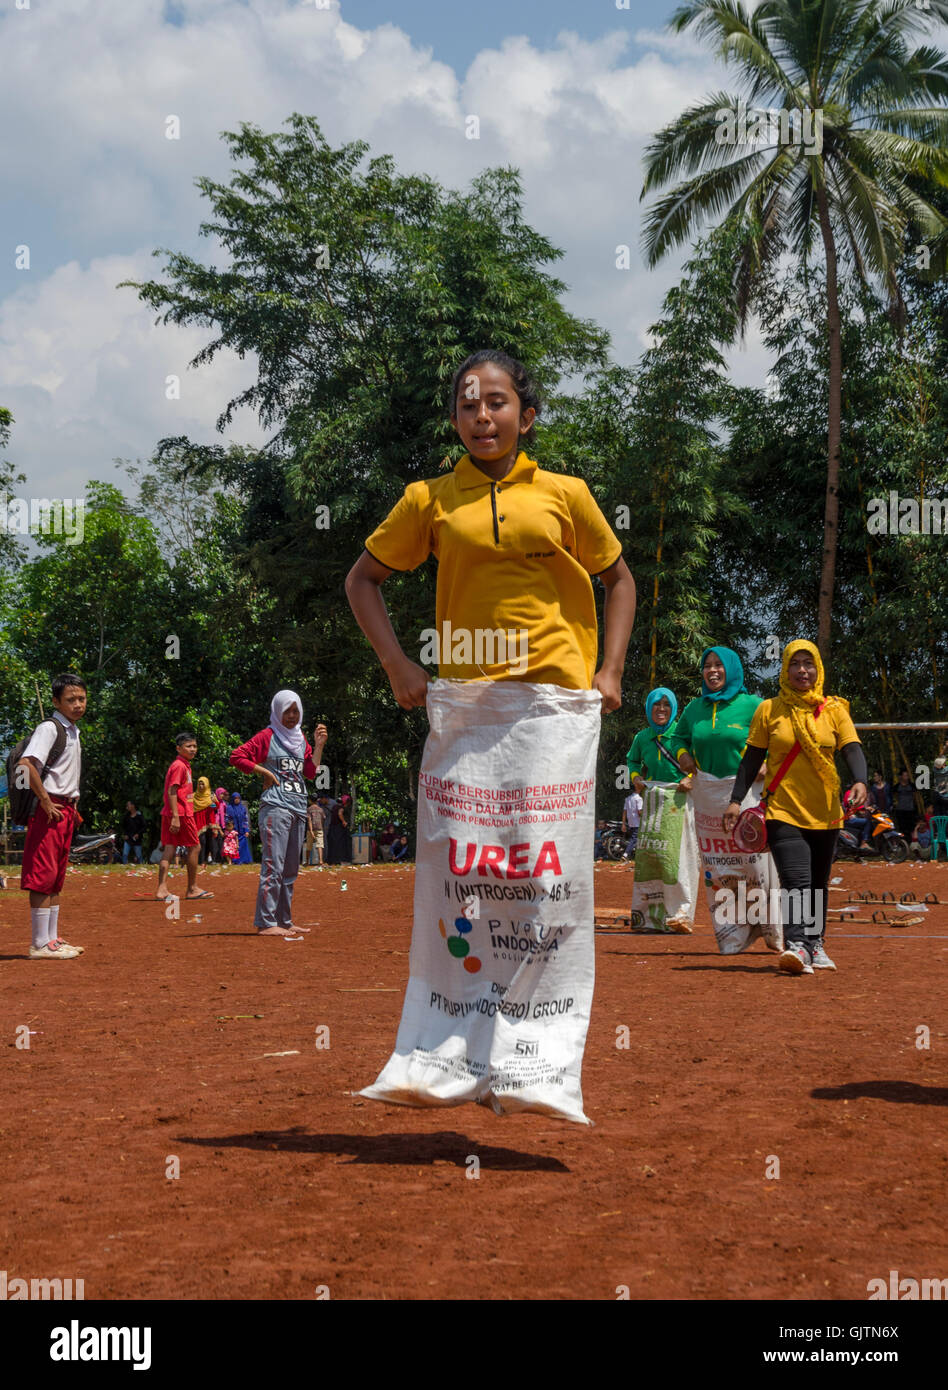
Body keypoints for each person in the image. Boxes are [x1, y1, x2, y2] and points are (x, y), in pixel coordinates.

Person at [345, 349, 636, 1116]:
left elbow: (620, 579)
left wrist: (609, 672)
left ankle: (534, 1066)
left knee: (544, 880)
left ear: (526, 415)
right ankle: (448, 1053)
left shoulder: (566, 495)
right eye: (468, 404)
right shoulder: (430, 500)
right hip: (470, 714)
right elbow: (362, 581)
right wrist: (398, 667)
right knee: (464, 875)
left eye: (498, 402)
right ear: (454, 419)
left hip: (554, 715)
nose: (483, 416)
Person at [723, 640, 867, 976]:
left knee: (818, 882)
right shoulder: (770, 710)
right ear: (785, 669)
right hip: (783, 810)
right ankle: (797, 944)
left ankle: (815, 944)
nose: (802, 671)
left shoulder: (834, 710)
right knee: (796, 880)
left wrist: (860, 780)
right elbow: (751, 760)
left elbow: (852, 749)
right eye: (795, 664)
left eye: (809, 664)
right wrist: (734, 800)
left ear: (818, 669)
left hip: (827, 812)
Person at [230, 692, 328, 937]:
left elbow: (309, 772)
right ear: (277, 712)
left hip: (297, 808)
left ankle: (284, 921)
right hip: (275, 807)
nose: (292, 716)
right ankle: (265, 922)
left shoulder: (300, 738)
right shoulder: (268, 735)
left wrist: (318, 746)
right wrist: (263, 771)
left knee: (290, 869)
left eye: (295, 711)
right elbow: (237, 756)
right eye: (287, 711)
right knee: (274, 865)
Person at [16, 672, 88, 959]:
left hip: (66, 809)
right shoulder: (50, 728)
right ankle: (39, 943)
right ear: (56, 702)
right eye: (71, 700)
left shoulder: (72, 730)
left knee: (56, 876)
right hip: (51, 809)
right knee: (43, 875)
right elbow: (26, 764)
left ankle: (52, 939)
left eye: (82, 698)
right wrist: (45, 801)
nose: (78, 704)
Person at [674, 648, 761, 785]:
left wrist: (766, 762)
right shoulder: (693, 708)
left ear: (732, 668)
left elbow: (777, 735)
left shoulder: (753, 705)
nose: (712, 670)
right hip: (705, 791)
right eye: (707, 666)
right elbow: (678, 738)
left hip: (747, 789)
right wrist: (682, 754)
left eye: (719, 665)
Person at [155, 733, 213, 903]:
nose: (193, 749)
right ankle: (192, 888)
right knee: (195, 847)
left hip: (172, 813)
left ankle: (161, 889)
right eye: (189, 746)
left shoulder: (183, 765)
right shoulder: (180, 766)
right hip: (180, 813)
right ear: (178, 748)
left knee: (170, 848)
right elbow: (172, 791)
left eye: (194, 746)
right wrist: (175, 817)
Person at [626, 687, 680, 784]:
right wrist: (635, 776)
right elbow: (633, 761)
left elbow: (700, 762)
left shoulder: (683, 734)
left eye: (667, 705)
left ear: (673, 708)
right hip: (651, 795)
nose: (662, 709)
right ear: (649, 707)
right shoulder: (641, 737)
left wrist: (689, 778)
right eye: (656, 704)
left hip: (682, 795)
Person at [192, 777, 217, 865]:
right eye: (200, 784)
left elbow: (216, 807)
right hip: (199, 821)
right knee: (201, 841)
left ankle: (211, 860)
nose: (201, 786)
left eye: (203, 784)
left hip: (209, 822)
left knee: (211, 841)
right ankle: (201, 860)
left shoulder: (211, 795)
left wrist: (214, 802)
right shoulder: (194, 796)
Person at [326, 793, 352, 865]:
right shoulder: (341, 808)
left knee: (333, 845)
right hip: (338, 829)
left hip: (332, 828)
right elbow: (340, 814)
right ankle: (340, 860)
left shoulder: (334, 807)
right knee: (340, 844)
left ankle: (332, 861)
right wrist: (344, 822)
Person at [891, 769, 917, 842]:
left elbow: (915, 796)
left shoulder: (912, 785)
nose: (907, 777)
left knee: (911, 827)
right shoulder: (897, 786)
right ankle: (903, 843)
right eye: (905, 775)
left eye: (907, 775)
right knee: (902, 827)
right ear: (901, 777)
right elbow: (894, 796)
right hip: (901, 810)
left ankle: (912, 843)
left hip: (910, 809)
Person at [227, 792, 253, 864]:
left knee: (243, 845)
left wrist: (246, 830)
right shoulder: (229, 808)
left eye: (238, 798)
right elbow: (227, 819)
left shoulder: (242, 808)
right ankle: (236, 860)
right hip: (233, 831)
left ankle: (245, 860)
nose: (237, 800)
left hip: (242, 831)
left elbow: (245, 820)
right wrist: (230, 829)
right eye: (235, 798)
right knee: (234, 846)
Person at [621, 786, 643, 859]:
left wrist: (623, 824)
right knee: (634, 839)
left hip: (631, 822)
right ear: (638, 788)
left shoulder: (627, 799)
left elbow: (624, 812)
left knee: (634, 839)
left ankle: (634, 855)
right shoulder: (639, 799)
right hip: (638, 822)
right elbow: (640, 812)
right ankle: (626, 854)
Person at [121, 800, 146, 864]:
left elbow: (144, 827)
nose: (127, 806)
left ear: (133, 805)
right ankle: (124, 866)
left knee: (139, 855)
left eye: (128, 805)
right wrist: (125, 834)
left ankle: (141, 866)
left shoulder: (139, 816)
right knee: (125, 854)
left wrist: (138, 834)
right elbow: (124, 827)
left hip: (137, 839)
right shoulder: (126, 816)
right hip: (128, 838)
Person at [304, 798, 326, 868]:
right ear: (317, 801)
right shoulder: (320, 809)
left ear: (310, 801)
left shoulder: (309, 809)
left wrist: (311, 831)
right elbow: (323, 818)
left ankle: (307, 862)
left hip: (311, 829)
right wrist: (321, 827)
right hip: (319, 828)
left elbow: (309, 820)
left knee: (309, 846)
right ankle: (320, 861)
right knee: (320, 845)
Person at [931, 755, 948, 819]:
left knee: (937, 815)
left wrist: (945, 748)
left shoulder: (935, 770)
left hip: (936, 795)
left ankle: (938, 828)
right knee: (945, 816)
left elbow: (937, 761)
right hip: (945, 796)